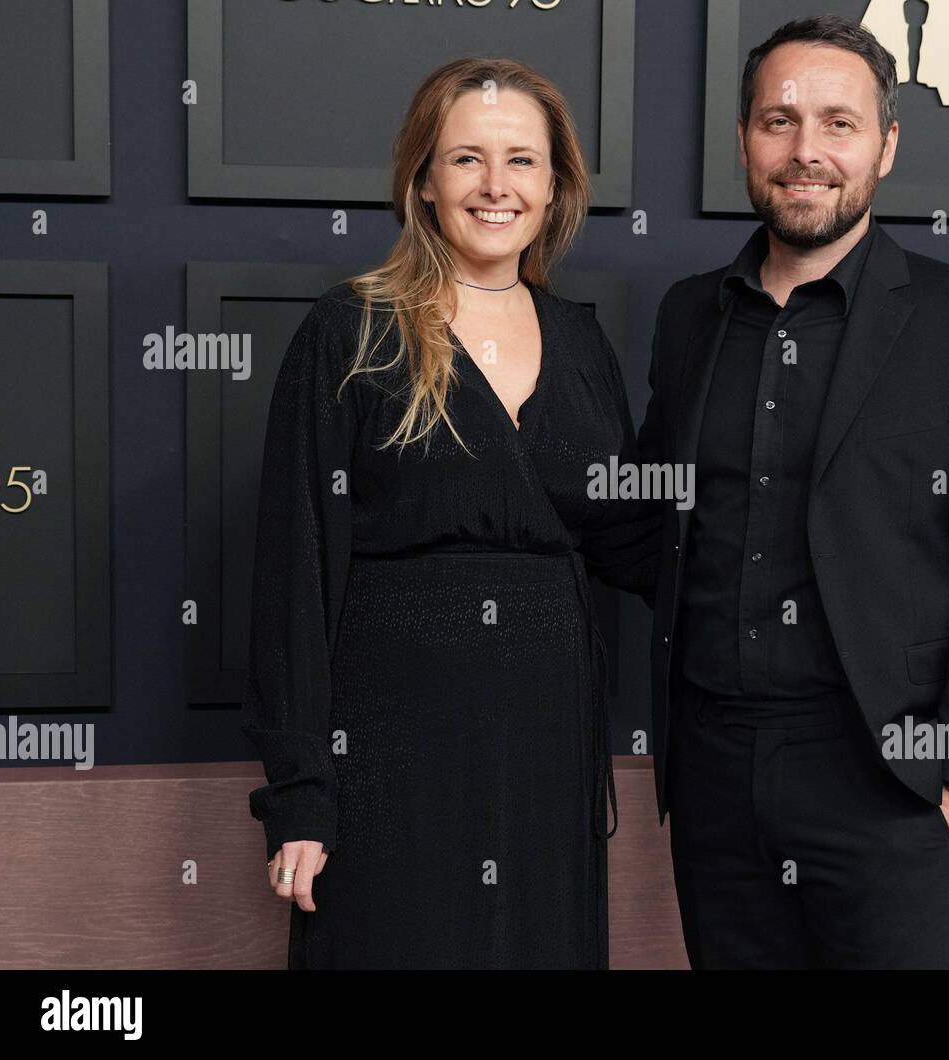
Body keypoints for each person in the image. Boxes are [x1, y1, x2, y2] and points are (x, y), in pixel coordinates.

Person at [636, 15, 949, 968]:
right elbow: (651, 520)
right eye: (778, 121)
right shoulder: (690, 313)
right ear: (742, 139)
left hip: (885, 781)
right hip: (713, 773)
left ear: (887, 145)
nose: (805, 151)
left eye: (838, 123)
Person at [240, 57, 658, 969]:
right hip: (391, 744)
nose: (496, 186)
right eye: (467, 159)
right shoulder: (349, 331)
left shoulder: (582, 342)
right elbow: (294, 574)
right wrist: (302, 795)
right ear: (425, 183)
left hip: (549, 742)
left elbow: (634, 540)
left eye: (522, 161)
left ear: (556, 185)